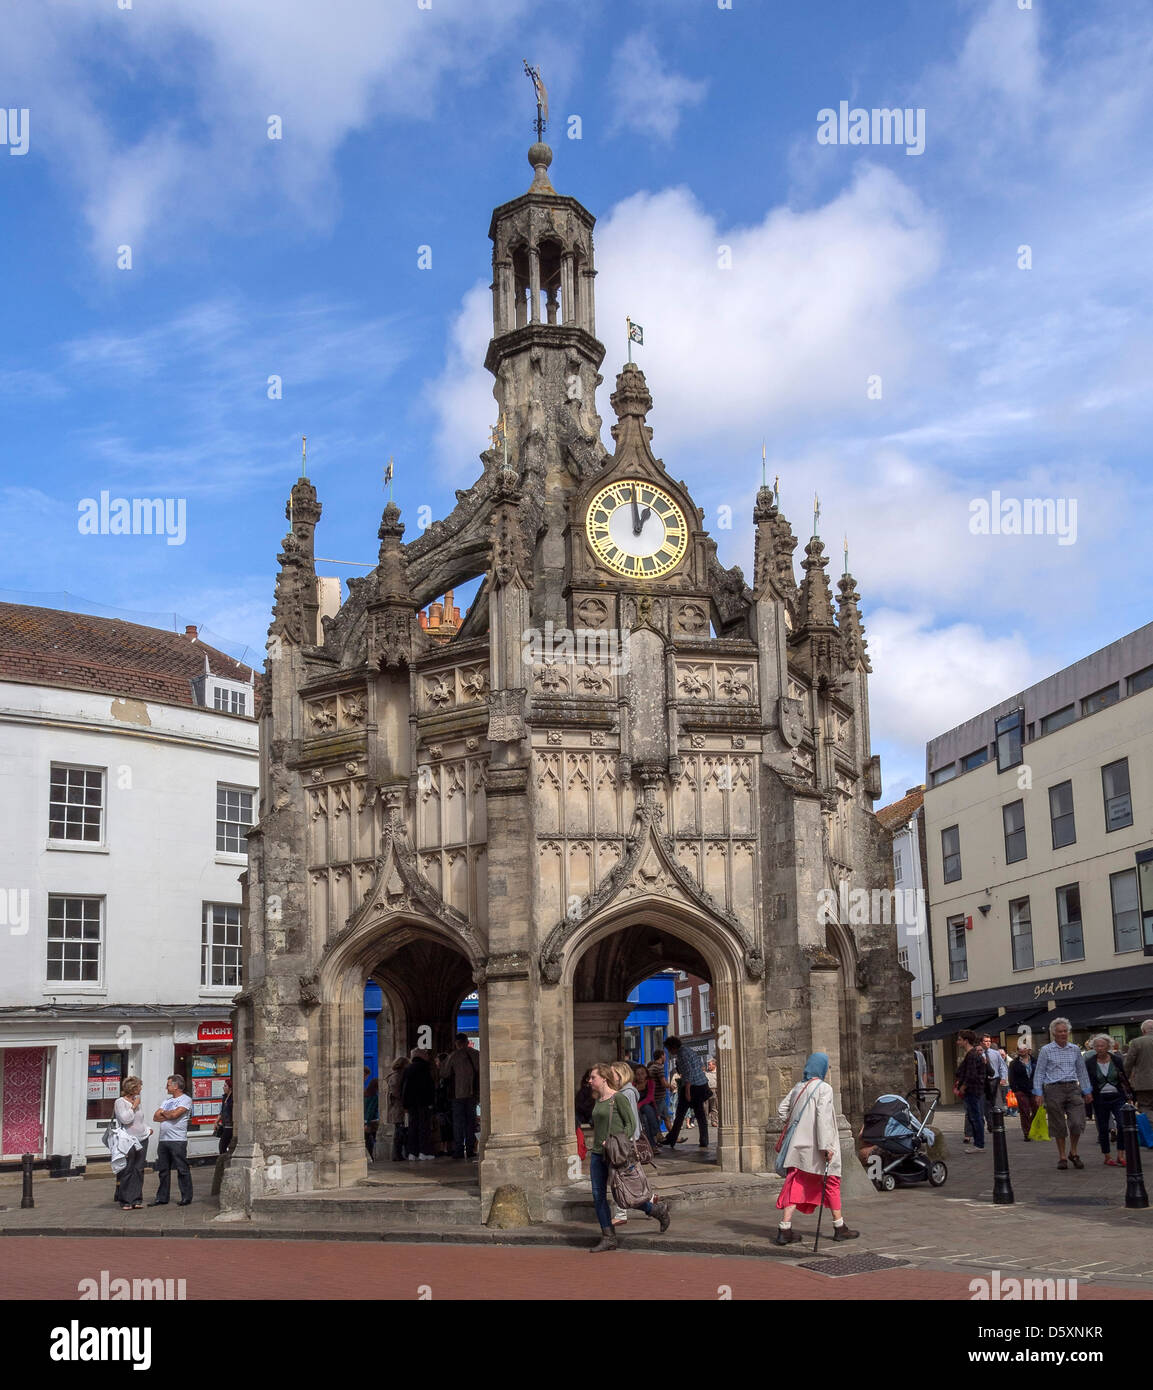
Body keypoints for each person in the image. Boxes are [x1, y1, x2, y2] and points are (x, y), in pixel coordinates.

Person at [774, 1052, 859, 1244]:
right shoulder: (824, 1089)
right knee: (831, 1183)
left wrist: (798, 1122)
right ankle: (839, 1227)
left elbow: (781, 1110)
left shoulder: (797, 1088)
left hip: (798, 1148)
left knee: (794, 1184)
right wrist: (826, 1146)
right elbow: (823, 1118)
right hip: (818, 1147)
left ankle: (784, 1229)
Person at [586, 1062, 670, 1252]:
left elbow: (631, 1124)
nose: (590, 1080)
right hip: (598, 1154)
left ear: (604, 1078)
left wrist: (617, 1142)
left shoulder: (619, 1098)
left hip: (616, 1154)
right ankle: (608, 1237)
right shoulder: (598, 1100)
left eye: (593, 1077)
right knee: (598, 1195)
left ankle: (657, 1210)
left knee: (624, 1194)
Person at [1033, 1016, 1092, 1170]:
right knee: (1058, 1124)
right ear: (1054, 1033)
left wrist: (1087, 1090)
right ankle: (1062, 1157)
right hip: (1053, 1088)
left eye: (1065, 1031)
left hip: (1073, 1088)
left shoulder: (1075, 1049)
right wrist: (1038, 1092)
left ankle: (1073, 1151)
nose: (1063, 1034)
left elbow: (1081, 1071)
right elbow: (1039, 1073)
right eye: (1060, 1031)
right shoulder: (1046, 1050)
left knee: (1077, 1122)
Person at [1087, 1034, 1131, 1166]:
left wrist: (1130, 1096)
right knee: (1103, 1127)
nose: (1100, 1048)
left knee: (1122, 1125)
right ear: (1093, 1047)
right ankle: (1107, 1156)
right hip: (1100, 1098)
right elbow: (1087, 1080)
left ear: (1108, 1046)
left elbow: (1125, 1078)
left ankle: (1120, 1155)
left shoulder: (1117, 1060)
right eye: (1097, 1046)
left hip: (1117, 1096)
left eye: (1102, 1046)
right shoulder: (1089, 1063)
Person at [150, 1074, 193, 1206]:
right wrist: (168, 1114)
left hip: (177, 1140)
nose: (166, 1087)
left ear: (175, 1086)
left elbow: (175, 1115)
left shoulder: (185, 1100)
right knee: (163, 1170)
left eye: (168, 1085)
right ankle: (162, 1197)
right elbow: (155, 1117)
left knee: (182, 1169)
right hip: (163, 1139)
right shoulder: (166, 1101)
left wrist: (166, 1114)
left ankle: (186, 1196)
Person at [662, 1036, 710, 1149]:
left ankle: (672, 1139)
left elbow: (688, 1072)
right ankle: (704, 1140)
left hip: (692, 1087)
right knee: (700, 1115)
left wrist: (687, 1091)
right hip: (701, 1084)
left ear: (673, 1047)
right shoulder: (688, 1050)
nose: (669, 1052)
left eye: (669, 1049)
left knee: (680, 1114)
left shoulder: (682, 1054)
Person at [113, 1076, 150, 1210]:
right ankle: (125, 1200)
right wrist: (134, 1106)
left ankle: (136, 1199)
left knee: (139, 1169)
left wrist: (148, 1129)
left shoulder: (136, 1101)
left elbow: (140, 1120)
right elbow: (125, 1120)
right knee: (127, 1169)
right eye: (139, 1086)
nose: (141, 1089)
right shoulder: (120, 1102)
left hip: (142, 1138)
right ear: (133, 1088)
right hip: (128, 1140)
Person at [442, 1033, 481, 1160]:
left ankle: (459, 1149)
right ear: (467, 1041)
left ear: (456, 1043)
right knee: (471, 1122)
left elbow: (445, 1073)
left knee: (458, 1123)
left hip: (457, 1094)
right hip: (472, 1093)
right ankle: (470, 1149)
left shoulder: (453, 1056)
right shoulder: (476, 1054)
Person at [955, 1031, 990, 1152]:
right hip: (975, 1089)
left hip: (973, 1090)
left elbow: (971, 1074)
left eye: (960, 1039)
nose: (958, 1042)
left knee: (976, 1117)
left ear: (966, 1040)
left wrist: (962, 1087)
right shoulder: (971, 1054)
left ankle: (979, 1144)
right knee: (974, 1116)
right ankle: (978, 1142)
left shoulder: (972, 1055)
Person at [401, 1047, 436, 1160]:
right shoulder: (425, 1068)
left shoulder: (407, 1069)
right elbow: (429, 1087)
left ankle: (412, 1153)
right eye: (425, 1054)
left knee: (412, 1127)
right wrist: (431, 1101)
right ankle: (424, 1152)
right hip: (423, 1102)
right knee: (424, 1127)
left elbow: (404, 1088)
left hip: (411, 1104)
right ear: (421, 1056)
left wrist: (405, 1104)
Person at [1008, 1044, 1038, 1140]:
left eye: (1024, 1048)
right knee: (1024, 1111)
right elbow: (1011, 1077)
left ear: (1028, 1050)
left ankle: (1030, 1126)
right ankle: (1027, 1132)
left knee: (1036, 1109)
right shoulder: (1014, 1063)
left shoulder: (1035, 1061)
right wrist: (1015, 1090)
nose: (1022, 1051)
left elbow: (1039, 1074)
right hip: (1021, 1091)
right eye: (1019, 1049)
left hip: (1034, 1089)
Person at [1122, 1019, 1153, 1115]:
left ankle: (1150, 1128)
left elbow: (1128, 1064)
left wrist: (1124, 1080)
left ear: (1143, 1031)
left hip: (1144, 1083)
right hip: (1145, 1083)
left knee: (1145, 1107)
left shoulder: (1137, 1042)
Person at [383, 1056, 408, 1161]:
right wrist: (404, 1099)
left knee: (400, 1131)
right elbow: (396, 1092)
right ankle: (397, 1155)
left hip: (398, 1107)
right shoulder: (396, 1076)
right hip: (398, 1108)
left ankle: (399, 1154)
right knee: (399, 1132)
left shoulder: (399, 1075)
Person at [634, 1065, 662, 1152]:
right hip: (637, 1111)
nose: (640, 1076)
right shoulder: (633, 1085)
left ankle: (653, 1143)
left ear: (646, 1074)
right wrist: (637, 1106)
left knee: (646, 1113)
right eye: (638, 1074)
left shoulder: (650, 1082)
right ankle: (656, 1135)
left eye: (642, 1074)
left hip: (649, 1110)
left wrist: (639, 1104)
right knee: (644, 1118)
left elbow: (650, 1098)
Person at [981, 1034, 1009, 1116]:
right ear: (981, 1043)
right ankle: (990, 1121)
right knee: (986, 1104)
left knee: (996, 1104)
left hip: (995, 1081)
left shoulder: (996, 1053)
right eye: (986, 1041)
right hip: (983, 1082)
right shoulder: (979, 1054)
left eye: (989, 1041)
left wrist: (1003, 1078)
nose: (988, 1043)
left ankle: (996, 1122)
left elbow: (1002, 1066)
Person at [649, 1049, 669, 1134]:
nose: (665, 1057)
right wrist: (671, 1086)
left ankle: (674, 1137)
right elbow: (663, 1083)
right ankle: (657, 1136)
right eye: (664, 1055)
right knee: (657, 1118)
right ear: (661, 1056)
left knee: (666, 1117)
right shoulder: (659, 1067)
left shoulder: (652, 1066)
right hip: (658, 1097)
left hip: (657, 1097)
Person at [363, 1066, 380, 1159]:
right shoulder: (374, 1097)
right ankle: (371, 1157)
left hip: (365, 1121)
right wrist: (367, 1123)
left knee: (367, 1139)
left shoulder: (365, 1094)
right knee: (371, 1140)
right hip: (372, 1122)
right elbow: (371, 1110)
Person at [214, 1077, 234, 1155]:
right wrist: (216, 1121)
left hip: (230, 1125)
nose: (223, 1087)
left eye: (225, 1086)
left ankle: (224, 1159)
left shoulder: (232, 1098)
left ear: (230, 1088)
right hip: (225, 1124)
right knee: (222, 1145)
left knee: (223, 1144)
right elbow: (222, 1111)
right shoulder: (224, 1097)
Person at [705, 1056, 719, 1129]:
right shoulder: (706, 1072)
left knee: (714, 1107)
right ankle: (705, 1122)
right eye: (708, 1065)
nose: (709, 1066)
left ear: (714, 1065)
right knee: (705, 1107)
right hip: (707, 1090)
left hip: (714, 1090)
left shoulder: (717, 1072)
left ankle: (714, 1121)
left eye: (710, 1065)